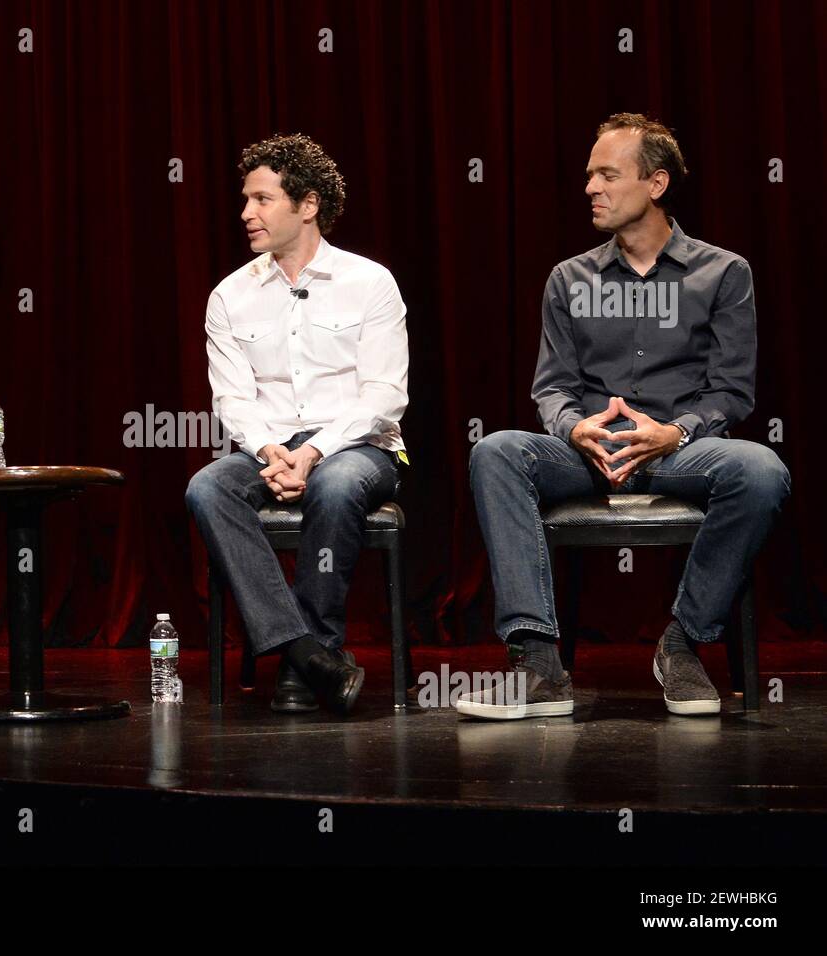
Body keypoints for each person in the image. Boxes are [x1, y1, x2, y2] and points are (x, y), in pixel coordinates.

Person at [459, 113, 790, 720]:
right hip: (589, 452)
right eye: (590, 175)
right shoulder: (569, 278)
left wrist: (674, 432)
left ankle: (682, 642)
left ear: (656, 184)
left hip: (678, 452)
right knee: (496, 451)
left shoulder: (723, 273)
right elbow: (553, 387)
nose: (591, 187)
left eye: (608, 175)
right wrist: (573, 428)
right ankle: (537, 663)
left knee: (761, 469)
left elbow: (732, 391)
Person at [186, 133, 410, 715]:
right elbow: (231, 398)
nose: (246, 213)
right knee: (207, 486)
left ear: (307, 205)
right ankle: (309, 654)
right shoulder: (229, 296)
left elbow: (384, 396)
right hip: (271, 445)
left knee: (335, 484)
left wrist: (313, 453)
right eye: (246, 200)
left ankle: (305, 657)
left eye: (261, 199)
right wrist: (269, 450)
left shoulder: (371, 283)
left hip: (360, 446)